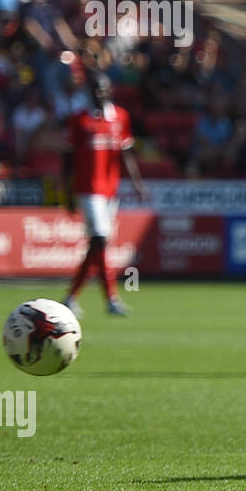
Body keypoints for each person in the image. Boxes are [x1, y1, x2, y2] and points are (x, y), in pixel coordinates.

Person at [63, 72, 149, 318]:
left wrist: (137, 184)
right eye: (95, 89)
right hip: (88, 189)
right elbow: (67, 159)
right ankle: (111, 298)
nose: (99, 93)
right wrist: (67, 192)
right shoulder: (79, 120)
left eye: (103, 89)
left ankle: (71, 297)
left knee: (96, 244)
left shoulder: (120, 117)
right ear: (89, 92)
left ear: (110, 90)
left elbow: (126, 153)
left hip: (111, 190)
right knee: (99, 240)